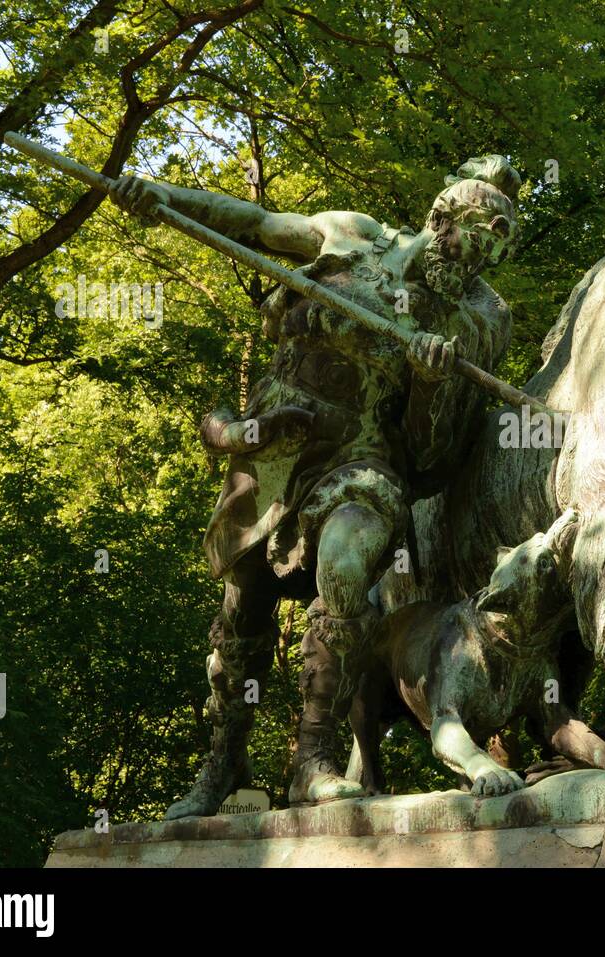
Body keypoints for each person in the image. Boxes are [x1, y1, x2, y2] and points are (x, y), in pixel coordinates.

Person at [107, 156, 521, 817]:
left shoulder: (478, 317)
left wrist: (431, 383)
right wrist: (157, 195)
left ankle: (314, 757)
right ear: (440, 219)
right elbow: (255, 222)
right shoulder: (350, 236)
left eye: (494, 253)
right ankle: (224, 761)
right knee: (241, 613)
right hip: (277, 439)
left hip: (365, 453)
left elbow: (433, 453)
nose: (476, 266)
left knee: (349, 560)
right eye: (474, 241)